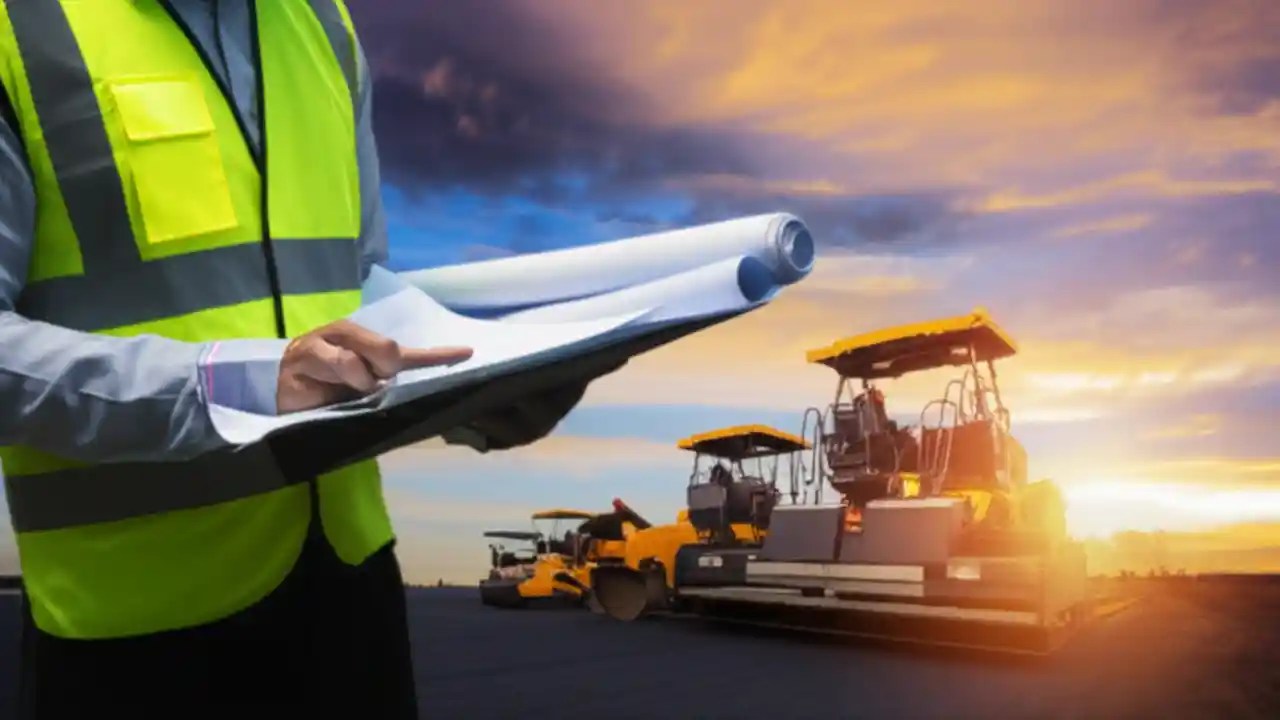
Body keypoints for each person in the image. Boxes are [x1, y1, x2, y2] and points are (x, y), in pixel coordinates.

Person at [0, 2, 601, 717]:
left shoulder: (322, 21)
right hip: (132, 629)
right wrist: (236, 385)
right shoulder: (19, 27)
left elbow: (360, 284)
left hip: (351, 590)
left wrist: (480, 385)